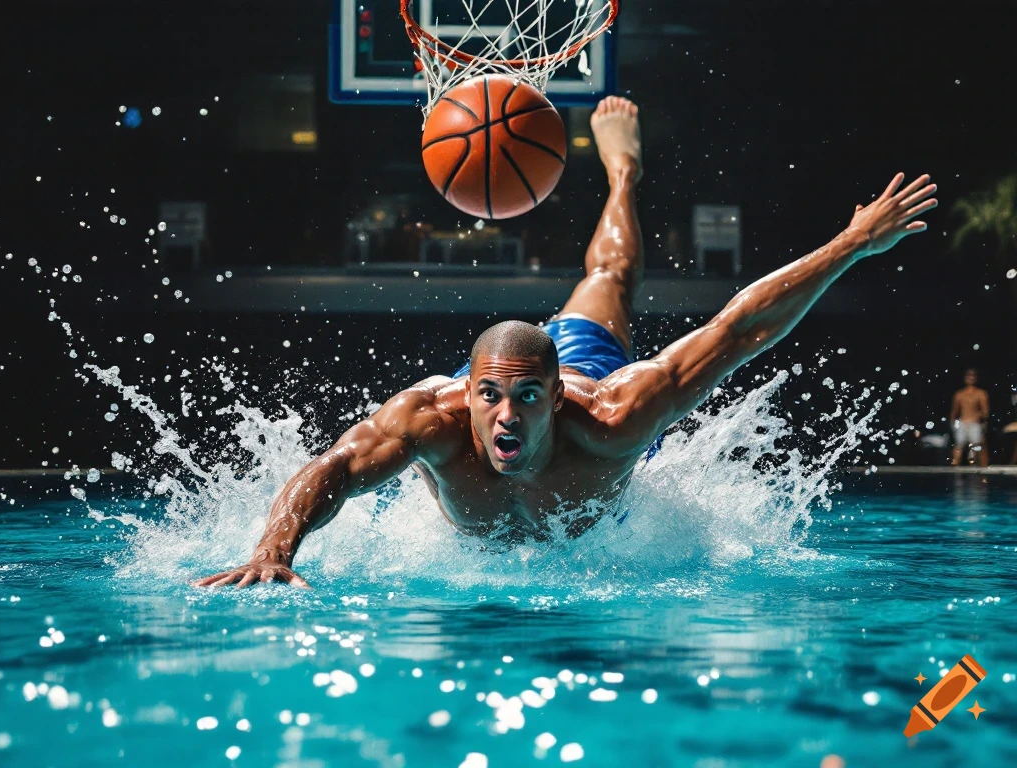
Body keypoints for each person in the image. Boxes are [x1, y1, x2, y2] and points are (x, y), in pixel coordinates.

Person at [195, 97, 937, 589]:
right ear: (469, 393)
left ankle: (622, 171)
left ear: (553, 396)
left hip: (583, 354)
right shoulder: (436, 420)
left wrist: (851, 243)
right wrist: (273, 552)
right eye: (490, 397)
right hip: (503, 374)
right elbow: (336, 467)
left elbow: (737, 330)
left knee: (611, 274)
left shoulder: (613, 415)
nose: (505, 417)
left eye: (524, 397)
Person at [950, 369, 990, 466]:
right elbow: (954, 412)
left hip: (974, 423)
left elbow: (985, 412)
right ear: (964, 377)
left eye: (973, 375)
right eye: (968, 375)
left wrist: (978, 417)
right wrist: (952, 425)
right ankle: (955, 467)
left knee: (978, 446)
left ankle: (980, 468)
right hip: (962, 423)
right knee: (959, 446)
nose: (971, 377)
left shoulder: (981, 393)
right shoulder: (959, 394)